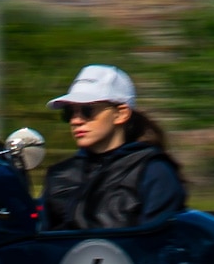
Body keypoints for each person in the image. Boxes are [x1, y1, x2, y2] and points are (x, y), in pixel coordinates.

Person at [43, 64, 185, 229]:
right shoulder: (58, 175)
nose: (76, 120)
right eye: (69, 112)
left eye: (87, 110)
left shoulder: (154, 171)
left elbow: (158, 246)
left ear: (121, 114)